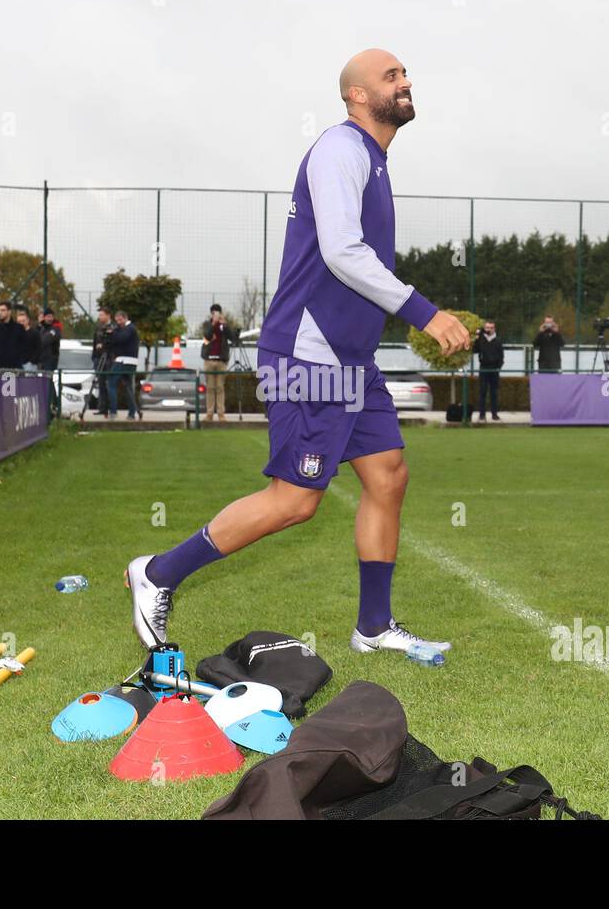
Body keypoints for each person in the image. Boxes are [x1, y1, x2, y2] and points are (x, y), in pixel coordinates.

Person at [125, 48, 469, 656]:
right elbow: (342, 252)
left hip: (351, 362)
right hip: (310, 356)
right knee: (294, 501)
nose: (405, 81)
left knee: (387, 476)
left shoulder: (373, 160)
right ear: (358, 95)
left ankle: (374, 626)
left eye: (405, 73)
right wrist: (424, 311)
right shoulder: (341, 150)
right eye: (391, 76)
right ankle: (157, 572)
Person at [106, 310, 140, 419]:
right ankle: (132, 413)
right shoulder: (127, 329)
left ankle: (113, 411)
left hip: (123, 360)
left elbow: (121, 339)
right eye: (117, 321)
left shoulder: (129, 329)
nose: (118, 323)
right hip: (130, 361)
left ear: (125, 318)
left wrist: (112, 333)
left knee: (111, 383)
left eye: (120, 320)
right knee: (128, 386)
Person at [201, 303, 232, 421]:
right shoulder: (207, 324)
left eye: (217, 312)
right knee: (209, 388)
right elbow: (206, 336)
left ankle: (221, 414)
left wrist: (225, 325)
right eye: (214, 313)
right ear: (211, 314)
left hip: (221, 361)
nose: (216, 315)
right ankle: (209, 414)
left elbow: (232, 337)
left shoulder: (223, 326)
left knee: (220, 387)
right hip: (209, 360)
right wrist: (213, 323)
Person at [474, 319, 504, 421]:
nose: (489, 330)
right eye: (487, 327)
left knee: (494, 393)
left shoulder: (498, 340)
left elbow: (501, 356)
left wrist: (498, 367)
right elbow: (475, 350)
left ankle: (494, 414)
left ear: (494, 329)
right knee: (482, 392)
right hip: (484, 368)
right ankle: (482, 414)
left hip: (494, 369)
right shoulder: (481, 339)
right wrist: (478, 337)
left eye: (491, 328)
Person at [92, 307, 115, 416]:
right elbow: (95, 342)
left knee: (109, 383)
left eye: (102, 315)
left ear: (108, 315)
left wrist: (104, 345)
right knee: (100, 383)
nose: (100, 317)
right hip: (99, 358)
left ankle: (112, 408)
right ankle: (102, 408)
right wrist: (94, 357)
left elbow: (113, 342)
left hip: (109, 358)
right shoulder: (98, 328)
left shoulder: (113, 327)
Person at [14, 305, 41, 370]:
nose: (21, 323)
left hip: (30, 365)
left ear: (28, 320)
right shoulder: (15, 333)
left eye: (23, 321)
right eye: (19, 322)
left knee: (29, 380)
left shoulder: (35, 333)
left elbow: (39, 348)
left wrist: (32, 361)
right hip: (17, 364)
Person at [38, 307, 62, 372]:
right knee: (43, 380)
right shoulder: (43, 328)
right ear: (44, 317)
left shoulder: (56, 328)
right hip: (42, 359)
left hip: (50, 360)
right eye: (48, 317)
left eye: (51, 316)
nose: (50, 319)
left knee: (48, 380)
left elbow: (45, 340)